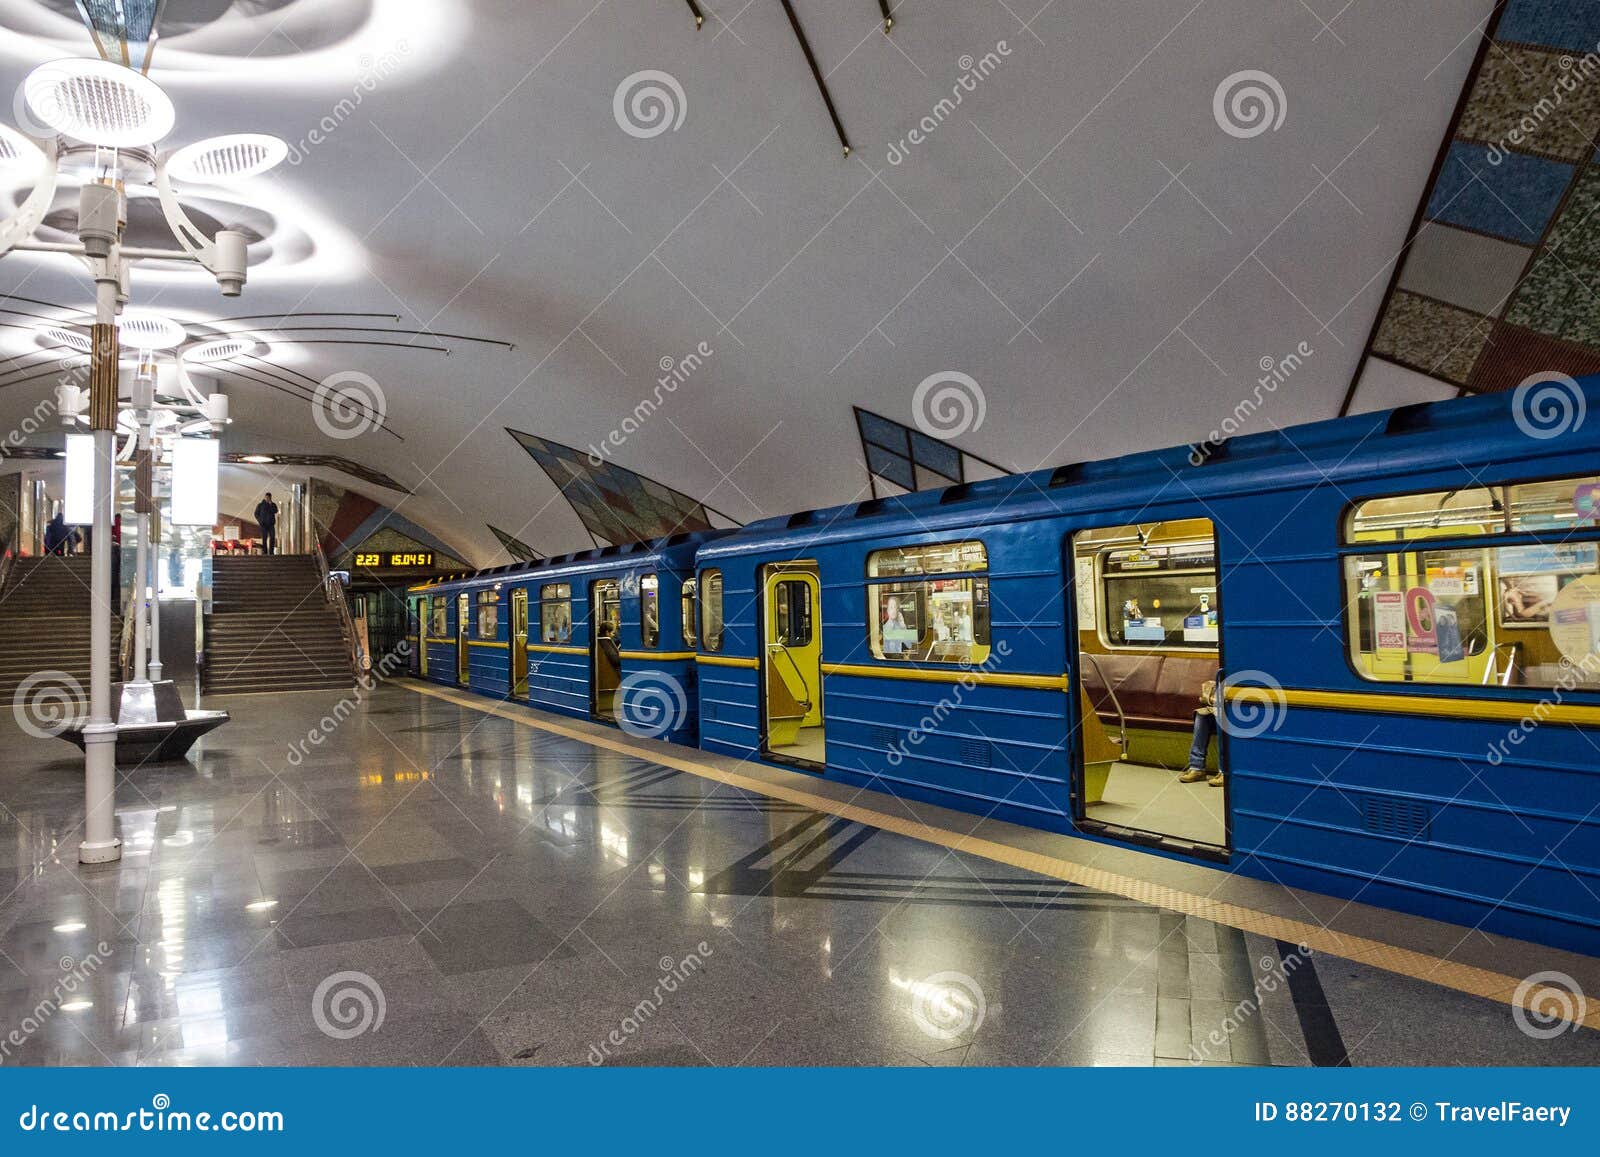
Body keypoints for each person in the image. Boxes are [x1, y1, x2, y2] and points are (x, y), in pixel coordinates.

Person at [1178, 680, 1224, 787]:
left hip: (1236, 714)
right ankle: (1197, 767)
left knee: (1221, 716)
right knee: (1201, 715)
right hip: (1218, 707)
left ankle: (1224, 771)